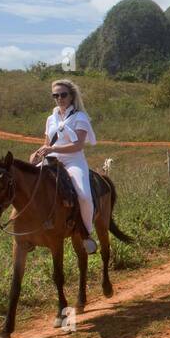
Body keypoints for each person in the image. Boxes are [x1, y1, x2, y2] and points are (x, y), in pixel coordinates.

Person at [29, 79, 98, 254]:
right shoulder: (50, 119)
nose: (59, 98)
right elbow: (46, 143)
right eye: (55, 95)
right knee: (29, 186)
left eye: (63, 94)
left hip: (73, 160)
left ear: (71, 95)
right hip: (51, 159)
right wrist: (36, 155)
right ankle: (29, 230)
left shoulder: (80, 117)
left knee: (83, 195)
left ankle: (86, 233)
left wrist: (52, 148)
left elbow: (78, 145)